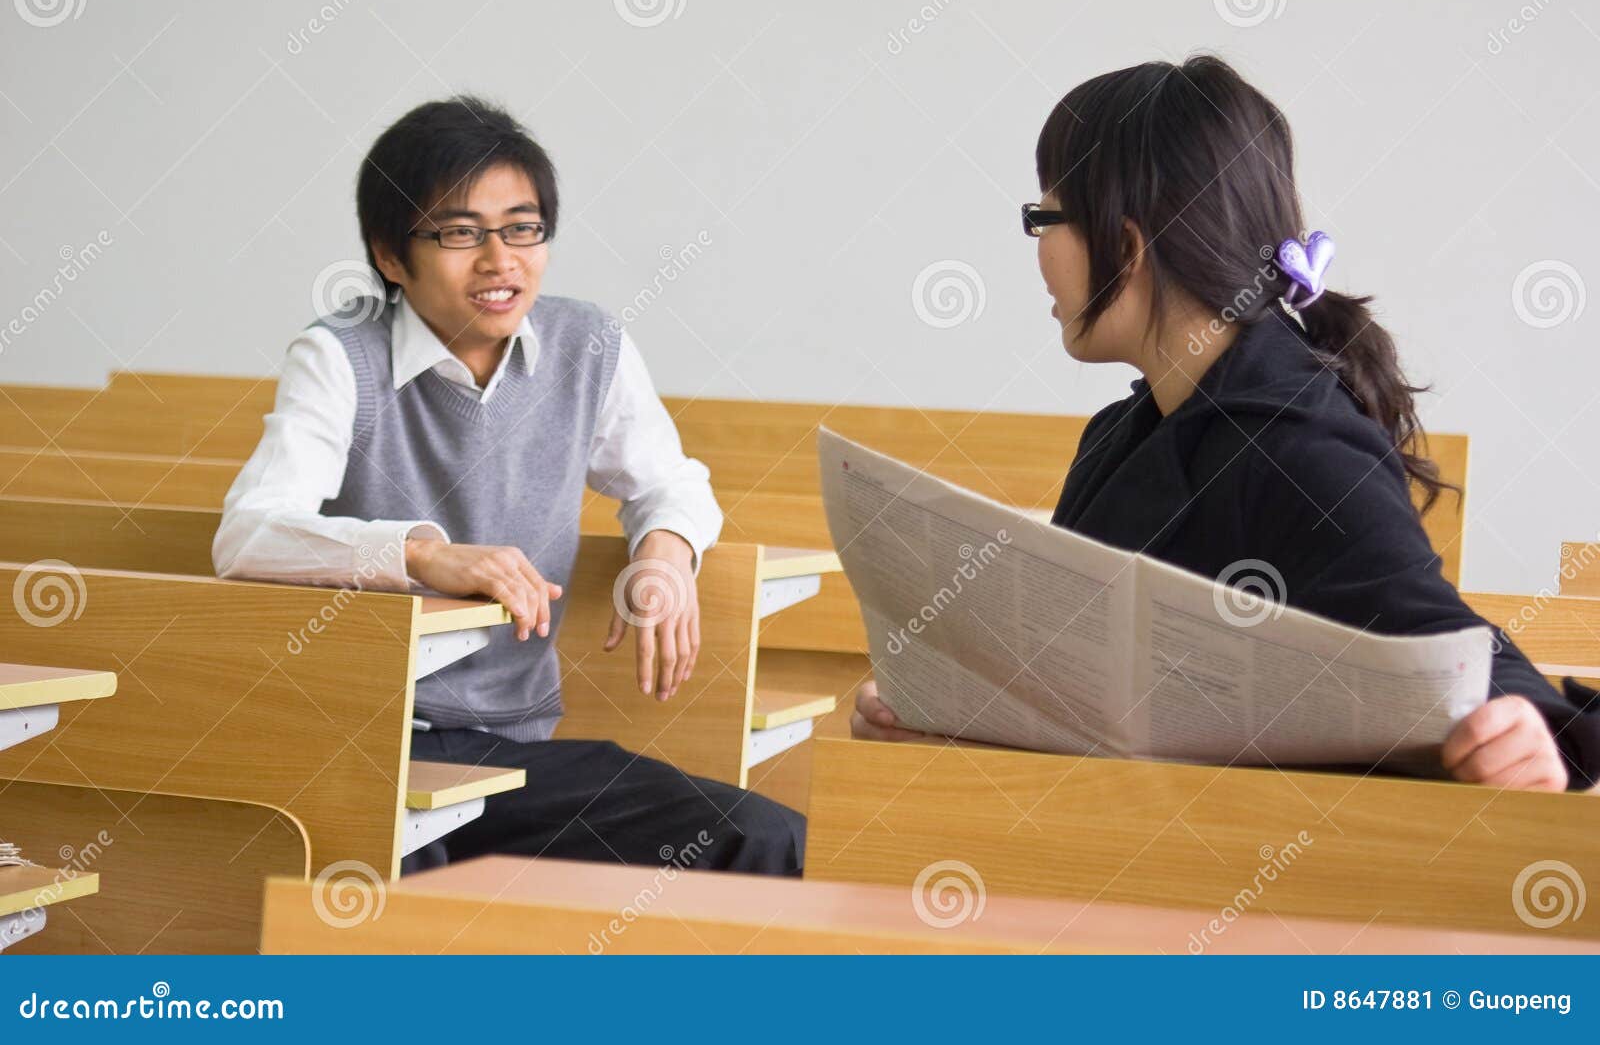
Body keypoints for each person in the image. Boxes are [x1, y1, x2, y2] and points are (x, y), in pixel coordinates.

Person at [854, 55, 1600, 792]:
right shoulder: (1116, 439)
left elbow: (1448, 643)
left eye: (1043, 218)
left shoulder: (1300, 443)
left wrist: (1531, 739)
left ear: (1129, 242)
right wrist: (941, 718)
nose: (1038, 252)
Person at [216, 95, 803, 872]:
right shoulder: (339, 357)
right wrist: (425, 556)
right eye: (460, 233)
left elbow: (671, 481)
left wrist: (662, 557)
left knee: (760, 836)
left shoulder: (585, 344)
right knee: (399, 892)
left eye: (522, 228)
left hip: (508, 756)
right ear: (392, 257)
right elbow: (249, 533)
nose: (500, 260)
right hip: (361, 736)